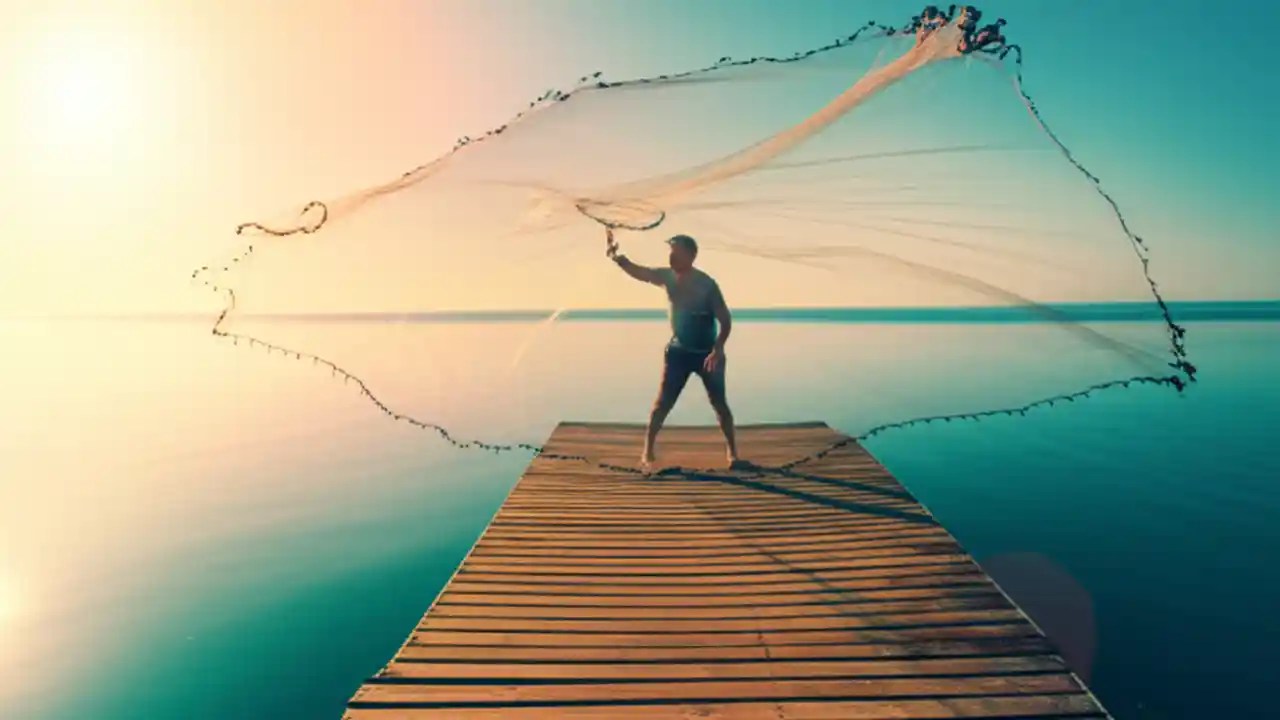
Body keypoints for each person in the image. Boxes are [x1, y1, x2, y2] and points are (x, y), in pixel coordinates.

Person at [606, 228, 741, 469]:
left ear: (691, 256)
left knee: (720, 404)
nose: (671, 257)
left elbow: (725, 320)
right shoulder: (666, 277)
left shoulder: (707, 284)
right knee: (663, 403)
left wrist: (718, 348)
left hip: (708, 354)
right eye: (670, 252)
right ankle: (647, 452)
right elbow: (641, 272)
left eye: (676, 253)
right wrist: (618, 258)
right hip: (678, 352)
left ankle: (733, 454)